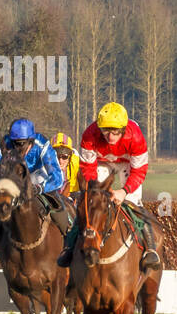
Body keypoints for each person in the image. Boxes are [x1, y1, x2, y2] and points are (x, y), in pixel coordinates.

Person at [56, 102, 160, 270]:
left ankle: (150, 249)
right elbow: (87, 167)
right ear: (99, 127)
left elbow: (139, 171)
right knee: (90, 203)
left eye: (115, 132)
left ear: (124, 129)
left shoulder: (136, 137)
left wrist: (123, 191)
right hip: (102, 164)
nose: (110, 137)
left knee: (134, 202)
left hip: (128, 166)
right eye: (105, 131)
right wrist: (98, 187)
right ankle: (69, 247)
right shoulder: (90, 135)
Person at [0, 118, 69, 254]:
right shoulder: (2, 145)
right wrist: (5, 183)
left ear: (31, 141)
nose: (18, 148)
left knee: (57, 203)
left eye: (22, 144)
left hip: (37, 176)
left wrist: (39, 188)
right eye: (15, 144)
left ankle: (69, 236)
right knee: (3, 202)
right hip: (12, 179)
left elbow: (57, 177)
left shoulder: (42, 144)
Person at [50, 132, 80, 197]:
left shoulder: (77, 164)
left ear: (69, 157)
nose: (60, 161)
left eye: (64, 157)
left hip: (73, 197)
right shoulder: (44, 165)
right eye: (57, 157)